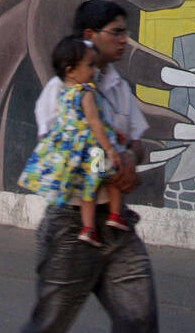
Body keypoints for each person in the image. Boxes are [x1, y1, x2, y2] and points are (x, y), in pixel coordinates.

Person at [0, 0, 164, 333]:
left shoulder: (118, 88)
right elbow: (65, 152)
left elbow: (137, 142)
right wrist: (109, 160)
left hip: (117, 227)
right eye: (116, 32)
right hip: (72, 228)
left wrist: (129, 158)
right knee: (48, 327)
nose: (125, 40)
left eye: (125, 31)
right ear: (89, 37)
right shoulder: (58, 92)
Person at [20, 36, 128, 243]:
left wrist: (113, 130)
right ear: (70, 71)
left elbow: (77, 121)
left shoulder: (63, 94)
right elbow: (94, 122)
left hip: (73, 153)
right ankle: (115, 216)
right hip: (94, 152)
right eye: (90, 65)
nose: (94, 70)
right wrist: (110, 149)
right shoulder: (86, 93)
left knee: (87, 189)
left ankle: (87, 229)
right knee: (110, 176)